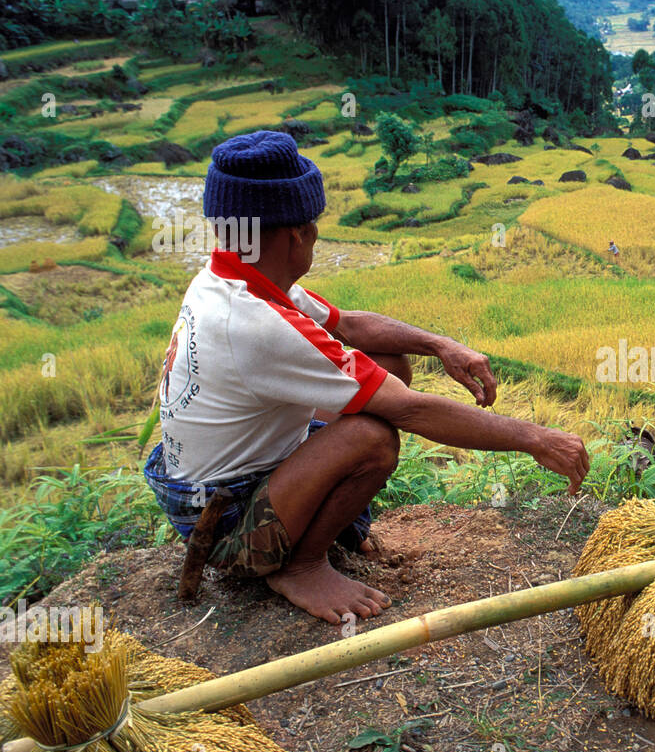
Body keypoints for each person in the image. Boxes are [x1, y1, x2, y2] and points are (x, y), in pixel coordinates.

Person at [144, 130, 589, 624]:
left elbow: (351, 324)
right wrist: (536, 438)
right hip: (221, 519)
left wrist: (441, 345)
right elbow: (409, 409)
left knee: (388, 364)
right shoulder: (256, 324)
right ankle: (301, 567)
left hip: (230, 476)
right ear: (299, 234)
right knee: (373, 435)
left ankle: (324, 535)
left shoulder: (236, 280)